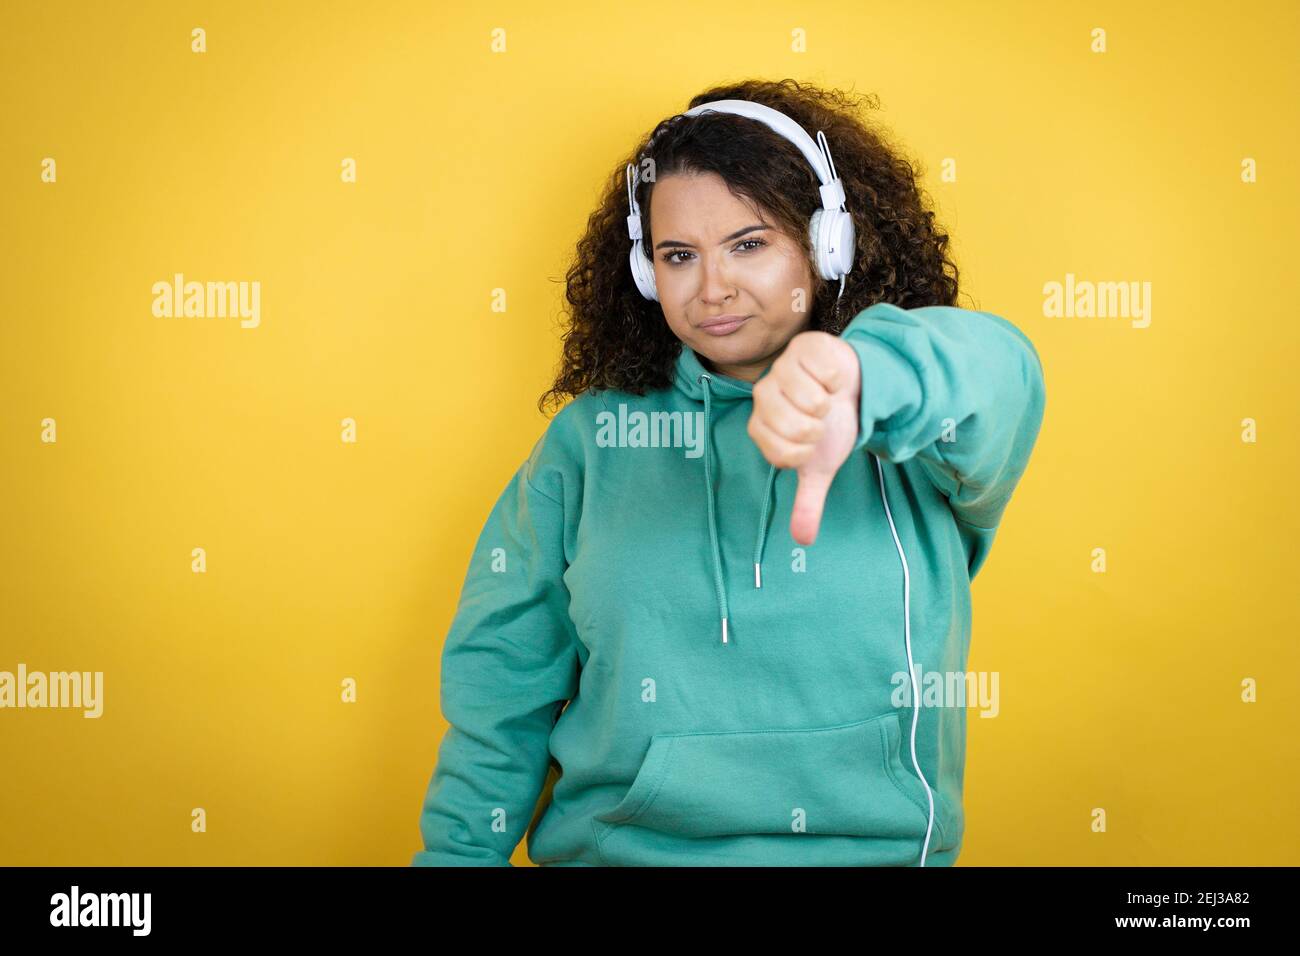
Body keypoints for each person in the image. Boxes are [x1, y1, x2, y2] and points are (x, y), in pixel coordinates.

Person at [412, 78, 1046, 867]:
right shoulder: (588, 445)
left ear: (829, 244)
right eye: (679, 255)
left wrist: (859, 378)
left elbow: (1003, 369)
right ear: (646, 273)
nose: (712, 288)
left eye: (749, 244)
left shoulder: (923, 434)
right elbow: (501, 690)